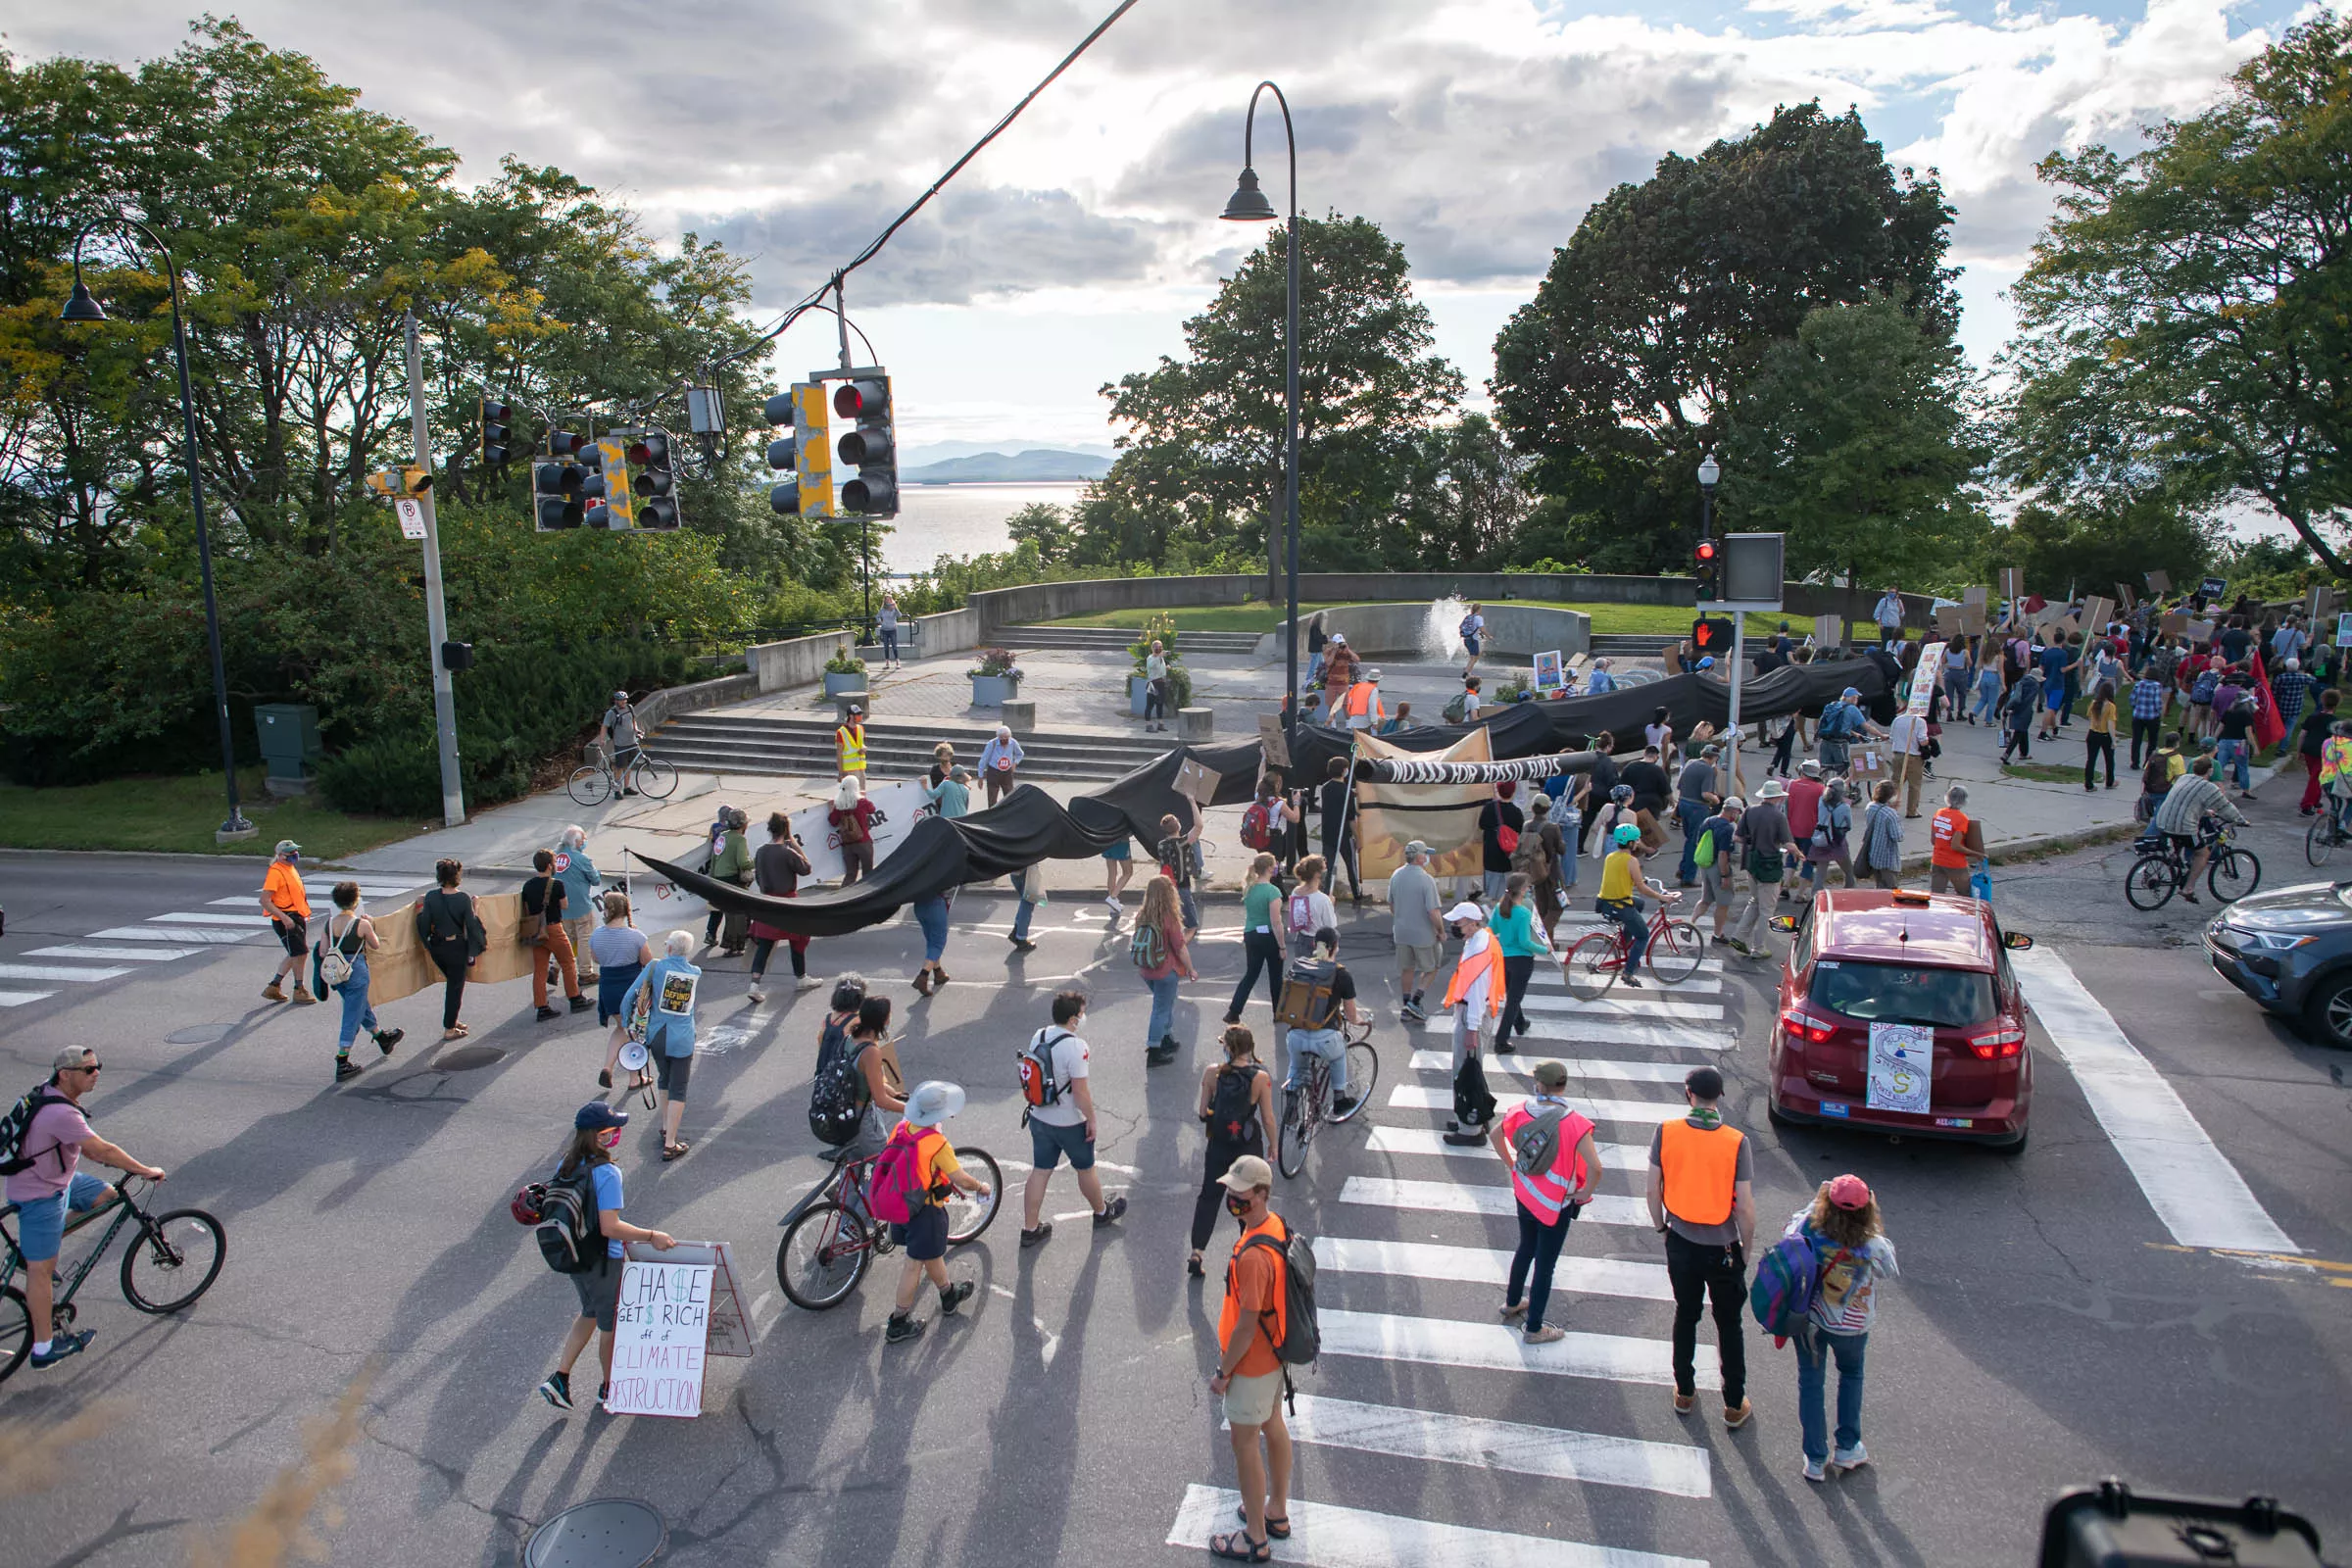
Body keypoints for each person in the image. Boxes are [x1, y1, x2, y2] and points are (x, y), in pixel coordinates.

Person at [6, 1046, 167, 1368]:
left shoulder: (47, 1092)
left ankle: (30, 1250)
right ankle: (43, 1348)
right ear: (65, 1075)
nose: (96, 1074)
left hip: (58, 1179)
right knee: (41, 1273)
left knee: (105, 1197)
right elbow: (101, 1151)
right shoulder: (61, 1113)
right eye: (88, 1070)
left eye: (97, 1067)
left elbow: (90, 1152)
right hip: (40, 1194)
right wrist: (144, 1169)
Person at [534, 1102, 679, 1412]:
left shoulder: (567, 1164)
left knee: (588, 1312)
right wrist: (652, 1236)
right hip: (603, 1261)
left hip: (575, 1256)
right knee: (612, 1328)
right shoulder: (608, 1172)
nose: (618, 1135)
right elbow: (610, 1226)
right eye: (614, 1130)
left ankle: (560, 1378)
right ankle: (609, 1388)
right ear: (599, 1136)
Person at [1647, 1065, 1755, 1430]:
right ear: (1719, 1097)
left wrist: (1662, 1226)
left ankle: (1685, 1391)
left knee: (1686, 1314)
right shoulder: (1736, 1141)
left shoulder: (1666, 1131)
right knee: (1729, 1325)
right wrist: (1746, 1248)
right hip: (1723, 1246)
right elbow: (1744, 1206)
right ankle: (1734, 1402)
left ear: (1687, 1093)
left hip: (1681, 1240)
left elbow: (1652, 1189)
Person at [1206, 1153, 1295, 1561]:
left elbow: (1245, 1325)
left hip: (1252, 1363)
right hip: (1275, 1357)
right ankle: (1276, 1511)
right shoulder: (1273, 1227)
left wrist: (1225, 1371)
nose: (1232, 1199)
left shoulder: (1253, 1256)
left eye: (1240, 1195)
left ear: (1260, 1195)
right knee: (1273, 1426)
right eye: (1230, 1192)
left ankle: (1255, 1537)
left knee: (1245, 1446)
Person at [1787, 1174, 1900, 1482]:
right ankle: (1848, 1447)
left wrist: (1814, 1204)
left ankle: (1814, 1458)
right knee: (1851, 1376)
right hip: (1854, 1328)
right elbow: (1890, 1270)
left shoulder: (1811, 1229)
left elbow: (1790, 1233)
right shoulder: (1872, 1243)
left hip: (1812, 1321)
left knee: (1811, 1382)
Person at [1491, 1060, 1599, 1345]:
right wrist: (1582, 1193)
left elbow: (1494, 1135)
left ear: (1539, 1084)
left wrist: (1512, 1165)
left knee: (1525, 1247)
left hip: (1525, 1193)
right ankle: (1535, 1328)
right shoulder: (1575, 1122)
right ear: (1563, 1086)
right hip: (1555, 1203)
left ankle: (1512, 1302)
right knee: (1546, 1265)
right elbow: (1596, 1167)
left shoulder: (1520, 1110)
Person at [881, 1081, 992, 1345]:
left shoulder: (902, 1127)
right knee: (913, 1264)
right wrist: (981, 1186)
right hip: (925, 1210)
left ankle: (948, 1294)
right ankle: (898, 1322)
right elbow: (960, 1178)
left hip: (900, 1204)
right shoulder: (936, 1144)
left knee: (929, 1253)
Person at [1018, 992, 1128, 1247]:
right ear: (1072, 1019)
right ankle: (1101, 1212)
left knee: (1041, 1171)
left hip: (1039, 1115)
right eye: (1081, 1013)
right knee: (1085, 1168)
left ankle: (1030, 1228)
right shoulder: (1076, 1047)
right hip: (1069, 1122)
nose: (1083, 1017)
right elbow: (1080, 1091)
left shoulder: (1040, 1035)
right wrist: (1091, 1118)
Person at [1191, 1026, 1278, 1278]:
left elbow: (1201, 1111)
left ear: (1227, 1048)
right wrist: (1273, 1145)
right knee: (1248, 1199)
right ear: (1250, 1049)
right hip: (1247, 1147)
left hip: (1219, 1144)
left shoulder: (1212, 1073)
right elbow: (1269, 1118)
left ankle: (1197, 1251)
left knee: (1209, 1197)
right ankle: (1245, 1253)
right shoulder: (1260, 1078)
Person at [618, 932, 703, 1160]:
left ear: (669, 949)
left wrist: (627, 1023)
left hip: (657, 1034)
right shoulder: (695, 973)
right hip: (682, 1037)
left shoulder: (656, 967)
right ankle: (670, 1142)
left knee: (664, 1079)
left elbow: (629, 997)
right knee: (679, 1088)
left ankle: (666, 1126)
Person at [318, 882, 402, 1081]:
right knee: (352, 1015)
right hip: (356, 971)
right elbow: (375, 944)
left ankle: (382, 1037)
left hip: (337, 973)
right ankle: (342, 1059)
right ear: (356, 901)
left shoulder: (329, 923)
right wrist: (370, 924)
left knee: (359, 1006)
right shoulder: (361, 924)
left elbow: (322, 951)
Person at [1280, 925, 1362, 1117]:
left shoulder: (1299, 967)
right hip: (1325, 1038)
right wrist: (1362, 1022)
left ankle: (1292, 1100)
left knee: (1297, 1065)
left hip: (1296, 1035)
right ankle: (1339, 1098)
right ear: (1335, 947)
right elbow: (1351, 1016)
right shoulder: (1341, 974)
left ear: (1314, 945)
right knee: (1339, 1055)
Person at [1442, 900, 1501, 1143]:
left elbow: (1477, 992)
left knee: (1466, 1072)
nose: (1455, 926)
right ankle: (1472, 1117)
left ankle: (1470, 1129)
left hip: (1473, 1015)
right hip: (1473, 1012)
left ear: (1472, 922)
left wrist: (1472, 1029)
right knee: (1472, 1068)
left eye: (1458, 922)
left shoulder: (1479, 949)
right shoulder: (1482, 939)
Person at [2155, 756, 2248, 904]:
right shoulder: (2208, 787)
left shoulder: (2184, 778)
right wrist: (2240, 820)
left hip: (2163, 821)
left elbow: (2186, 802)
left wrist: (2205, 812)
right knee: (2202, 853)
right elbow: (2224, 806)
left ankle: (2175, 864)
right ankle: (2188, 889)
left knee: (2180, 844)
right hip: (2183, 827)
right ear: (2210, 771)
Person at [415, 858, 486, 1041]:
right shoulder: (463, 898)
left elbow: (424, 924)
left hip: (438, 947)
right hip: (456, 947)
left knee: (453, 984)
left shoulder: (431, 896)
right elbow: (471, 924)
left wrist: (420, 909)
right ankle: (449, 1028)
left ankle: (452, 1020)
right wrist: (475, 906)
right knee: (455, 987)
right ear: (456, 876)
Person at [1596, 822, 1677, 985]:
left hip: (1604, 902)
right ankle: (1628, 972)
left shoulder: (1611, 857)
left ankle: (1624, 942)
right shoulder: (1631, 860)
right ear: (1632, 843)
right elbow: (1641, 888)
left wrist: (1638, 879)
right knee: (1643, 936)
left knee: (1639, 904)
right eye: (1637, 841)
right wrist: (1661, 896)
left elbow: (1620, 879)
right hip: (1620, 906)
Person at [748, 810, 814, 1002]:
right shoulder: (787, 852)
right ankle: (801, 978)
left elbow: (759, 877)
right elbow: (807, 869)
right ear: (786, 830)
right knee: (797, 940)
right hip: (788, 902)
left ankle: (754, 984)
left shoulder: (761, 851)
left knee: (765, 945)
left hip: (767, 902)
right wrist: (795, 845)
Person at [1377, 839, 1445, 1022]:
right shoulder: (1426, 880)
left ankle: (1406, 1003)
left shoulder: (1396, 875)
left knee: (1407, 968)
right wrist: (1441, 930)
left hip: (1401, 931)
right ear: (1420, 858)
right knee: (1432, 967)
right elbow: (1434, 912)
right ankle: (1415, 1001)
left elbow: (1391, 904)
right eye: (1426, 854)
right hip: (1423, 934)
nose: (1428, 857)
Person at [1725, 779, 1792, 960]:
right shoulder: (1779, 817)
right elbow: (1788, 843)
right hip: (1769, 866)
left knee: (1754, 901)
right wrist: (1799, 853)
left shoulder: (1750, 811)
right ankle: (1759, 947)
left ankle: (1739, 936)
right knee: (1767, 910)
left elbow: (1737, 837)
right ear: (1778, 797)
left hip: (1751, 864)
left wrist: (1752, 840)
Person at [592, 894, 655, 1088]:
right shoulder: (636, 936)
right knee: (634, 1031)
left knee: (622, 1028)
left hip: (608, 986)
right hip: (631, 986)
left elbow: (596, 960)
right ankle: (635, 1078)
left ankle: (607, 1067)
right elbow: (648, 962)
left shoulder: (596, 935)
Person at [522, 848, 591, 1022]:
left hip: (536, 931)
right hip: (553, 928)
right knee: (568, 962)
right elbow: (565, 905)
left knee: (540, 969)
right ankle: (575, 998)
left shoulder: (528, 885)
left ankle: (542, 1007)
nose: (555, 866)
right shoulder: (556, 884)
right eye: (553, 863)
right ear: (548, 866)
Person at [1489, 873, 1551, 1051]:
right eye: (1528, 887)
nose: (1529, 890)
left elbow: (1491, 930)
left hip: (1504, 959)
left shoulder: (1500, 908)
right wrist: (1545, 949)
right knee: (1513, 1001)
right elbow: (1525, 942)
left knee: (1513, 995)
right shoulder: (1523, 913)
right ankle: (1501, 1041)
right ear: (1523, 890)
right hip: (1522, 961)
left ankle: (1520, 1023)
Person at [1137, 873, 1195, 1066]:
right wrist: (1190, 969)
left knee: (1165, 1002)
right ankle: (1154, 1049)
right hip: (1165, 970)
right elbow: (1179, 947)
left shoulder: (1141, 915)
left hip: (1147, 969)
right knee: (1161, 1008)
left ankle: (1167, 1038)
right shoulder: (1169, 918)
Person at [1225, 852, 1288, 1026]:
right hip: (1269, 936)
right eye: (1275, 865)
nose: (1276, 868)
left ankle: (1234, 1011)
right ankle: (1278, 1012)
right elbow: (1276, 922)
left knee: (1251, 974)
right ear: (1269, 868)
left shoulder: (1249, 888)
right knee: (1275, 977)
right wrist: (1282, 946)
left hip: (1251, 934)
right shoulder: (1273, 891)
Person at [260, 839, 316, 1004]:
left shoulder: (289, 869)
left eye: (295, 852)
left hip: (295, 916)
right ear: (280, 856)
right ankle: (299, 989)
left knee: (297, 953)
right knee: (300, 953)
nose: (294, 855)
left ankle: (274, 986)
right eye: (290, 853)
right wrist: (285, 918)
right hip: (286, 919)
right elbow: (264, 900)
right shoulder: (275, 872)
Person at [552, 826, 604, 982]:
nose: (585, 842)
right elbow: (595, 880)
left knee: (566, 938)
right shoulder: (582, 859)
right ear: (576, 842)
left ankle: (555, 966)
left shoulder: (555, 857)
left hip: (561, 906)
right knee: (584, 939)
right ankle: (585, 973)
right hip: (581, 906)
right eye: (583, 839)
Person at [704, 808, 755, 956]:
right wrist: (756, 861)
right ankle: (735, 946)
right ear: (743, 825)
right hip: (733, 879)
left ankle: (729, 944)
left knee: (728, 913)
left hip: (719, 878)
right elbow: (743, 863)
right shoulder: (740, 839)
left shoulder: (722, 836)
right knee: (738, 914)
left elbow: (714, 858)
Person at [1692, 797, 1743, 941]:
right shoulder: (1727, 828)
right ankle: (1717, 934)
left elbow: (1699, 842)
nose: (1738, 815)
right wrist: (1725, 876)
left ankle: (1690, 924)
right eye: (1738, 812)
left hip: (1704, 864)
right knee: (1723, 903)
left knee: (1705, 900)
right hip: (1717, 867)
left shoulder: (1708, 821)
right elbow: (1723, 855)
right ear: (1733, 811)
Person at [1674, 743, 1722, 885]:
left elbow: (1679, 786)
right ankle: (1688, 877)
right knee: (1695, 842)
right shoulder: (1708, 770)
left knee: (1689, 839)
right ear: (1714, 757)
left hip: (1683, 804)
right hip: (1697, 807)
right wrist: (1715, 799)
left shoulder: (1691, 765)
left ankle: (1683, 869)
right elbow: (1706, 793)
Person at [1800, 777, 1855, 897]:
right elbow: (1848, 825)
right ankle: (1849, 893)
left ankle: (1815, 897)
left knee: (1820, 873)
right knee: (1849, 871)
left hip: (1821, 838)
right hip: (1837, 841)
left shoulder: (1821, 801)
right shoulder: (1844, 807)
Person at [1928, 784, 1985, 897]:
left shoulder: (1939, 813)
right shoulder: (1961, 819)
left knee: (1936, 897)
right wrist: (1977, 853)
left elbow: (1933, 840)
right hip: (1955, 863)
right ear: (1964, 800)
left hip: (1937, 861)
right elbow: (1955, 846)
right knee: (1965, 896)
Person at [1316, 758, 1360, 901]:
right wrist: (1358, 839)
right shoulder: (1345, 793)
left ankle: (1327, 894)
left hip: (1328, 834)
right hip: (1344, 835)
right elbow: (1351, 818)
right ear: (1344, 770)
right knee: (1351, 866)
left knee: (1328, 867)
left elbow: (1337, 797)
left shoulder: (1326, 788)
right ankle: (1356, 894)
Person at [1477, 781, 1525, 904]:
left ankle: (1492, 917)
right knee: (1507, 894)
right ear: (1513, 792)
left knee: (1490, 894)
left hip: (1491, 853)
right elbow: (1520, 831)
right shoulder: (1517, 812)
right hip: (1508, 855)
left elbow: (1482, 825)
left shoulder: (1489, 808)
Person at [1158, 806, 1205, 932]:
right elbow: (1199, 826)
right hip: (1181, 883)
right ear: (1178, 826)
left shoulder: (1161, 845)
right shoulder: (1181, 844)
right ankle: (1186, 937)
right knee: (1190, 919)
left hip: (1166, 883)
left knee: (1169, 912)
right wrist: (1191, 801)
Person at [2213, 677, 2258, 798]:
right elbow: (2248, 733)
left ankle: (2212, 787)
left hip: (2224, 742)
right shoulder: (2246, 714)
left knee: (2219, 766)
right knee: (2242, 767)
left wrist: (2214, 739)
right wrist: (2255, 747)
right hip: (2240, 744)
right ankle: (2246, 791)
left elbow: (2220, 727)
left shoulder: (2228, 712)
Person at [830, 774, 878, 886]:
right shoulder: (862, 802)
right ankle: (865, 897)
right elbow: (872, 809)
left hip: (847, 844)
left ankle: (844, 898)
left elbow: (833, 821)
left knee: (850, 874)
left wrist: (831, 808)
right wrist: (863, 796)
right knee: (868, 873)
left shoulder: (839, 805)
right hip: (863, 842)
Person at [2300, 690, 2340, 815]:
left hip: (2308, 749)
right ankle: (2307, 805)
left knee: (2314, 775)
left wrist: (2299, 750)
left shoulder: (2312, 717)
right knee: (2317, 779)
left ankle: (2315, 799)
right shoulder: (2334, 721)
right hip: (2323, 752)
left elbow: (2302, 735)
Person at [910, 884, 955, 997]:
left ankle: (938, 972)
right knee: (937, 944)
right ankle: (923, 976)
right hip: (935, 904)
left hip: (919, 905)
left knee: (931, 941)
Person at [1858, 780, 1903, 889]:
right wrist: (1895, 814)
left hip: (1874, 854)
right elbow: (1897, 836)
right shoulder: (1890, 814)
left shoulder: (1871, 806)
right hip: (1887, 858)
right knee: (1890, 888)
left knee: (1879, 886)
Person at [1886, 704, 1928, 818]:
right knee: (1914, 785)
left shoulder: (1897, 719)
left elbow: (1892, 738)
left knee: (1895, 783)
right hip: (1913, 756)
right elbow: (1922, 740)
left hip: (1897, 755)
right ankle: (1912, 811)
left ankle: (1891, 807)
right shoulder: (1920, 722)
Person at [601, 691, 644, 790]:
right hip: (620, 744)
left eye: (625, 699)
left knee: (628, 766)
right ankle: (617, 790)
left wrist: (636, 730)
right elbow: (604, 726)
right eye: (621, 700)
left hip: (632, 742)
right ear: (616, 701)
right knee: (619, 767)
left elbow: (633, 720)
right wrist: (602, 739)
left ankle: (627, 787)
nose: (624, 701)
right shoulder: (611, 713)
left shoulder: (630, 708)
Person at [2129, 665, 2170, 770]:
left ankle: (2135, 762)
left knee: (2136, 739)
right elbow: (2157, 702)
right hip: (2152, 717)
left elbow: (2132, 699)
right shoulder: (2157, 686)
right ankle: (2148, 762)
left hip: (2138, 716)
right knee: (2152, 741)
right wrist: (2159, 711)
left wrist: (2136, 707)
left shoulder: (2139, 684)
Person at [2083, 680, 2120, 791]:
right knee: (2109, 759)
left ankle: (2088, 784)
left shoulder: (2094, 703)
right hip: (2104, 735)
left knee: (2091, 759)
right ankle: (2109, 782)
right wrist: (2114, 740)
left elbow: (2090, 717)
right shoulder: (2110, 706)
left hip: (2092, 733)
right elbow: (2110, 724)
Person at [2001, 665, 2043, 761]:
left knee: (2023, 731)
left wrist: (2007, 709)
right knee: (2018, 733)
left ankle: (2024, 752)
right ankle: (2007, 754)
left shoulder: (2021, 682)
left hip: (2014, 709)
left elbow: (2013, 696)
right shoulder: (2035, 686)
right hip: (2025, 711)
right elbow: (2027, 701)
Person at [980, 724, 1024, 805]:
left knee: (1009, 797)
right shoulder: (991, 743)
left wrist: (1015, 763)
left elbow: (1020, 754)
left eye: (1006, 738)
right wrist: (980, 777)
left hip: (1007, 772)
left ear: (1009, 737)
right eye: (1001, 738)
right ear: (998, 737)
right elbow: (984, 760)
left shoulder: (1013, 742)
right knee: (992, 798)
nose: (1003, 740)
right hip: (993, 771)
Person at [1102, 825, 1135, 922]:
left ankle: (1113, 905)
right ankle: (1113, 897)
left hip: (1107, 839)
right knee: (1128, 872)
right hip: (1121, 841)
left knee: (1112, 873)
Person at [1340, 666, 1385, 733]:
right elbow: (1372, 707)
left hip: (1354, 720)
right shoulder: (1373, 689)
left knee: (1356, 741)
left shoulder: (1357, 686)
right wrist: (1374, 722)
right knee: (1364, 741)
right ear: (1378, 680)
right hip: (1365, 722)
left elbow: (1350, 701)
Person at [1144, 638, 1173, 732]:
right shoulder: (1150, 658)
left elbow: (1159, 669)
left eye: (1160, 647)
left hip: (1160, 683)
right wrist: (1159, 656)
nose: (1159, 649)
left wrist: (1166, 668)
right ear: (1152, 648)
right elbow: (1152, 666)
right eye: (1156, 647)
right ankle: (1148, 725)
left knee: (1160, 704)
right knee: (1150, 704)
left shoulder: (1161, 658)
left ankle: (1160, 724)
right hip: (1152, 683)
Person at [835, 704, 866, 780]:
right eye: (858, 714)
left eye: (860, 714)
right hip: (848, 772)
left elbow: (861, 744)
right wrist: (841, 773)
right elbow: (839, 754)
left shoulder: (861, 728)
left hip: (861, 769)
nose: (860, 716)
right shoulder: (841, 732)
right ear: (851, 716)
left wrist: (864, 748)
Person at [1459, 601, 1487, 675]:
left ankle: (1468, 669)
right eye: (1480, 609)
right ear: (1479, 609)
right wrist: (1489, 636)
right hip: (1473, 640)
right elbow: (1483, 630)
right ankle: (1464, 676)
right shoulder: (1479, 618)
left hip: (1466, 639)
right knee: (1473, 658)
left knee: (1476, 656)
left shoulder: (1468, 617)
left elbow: (1460, 626)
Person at [876, 593, 903, 669]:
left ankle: (897, 662)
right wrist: (880, 622)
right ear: (885, 601)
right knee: (886, 647)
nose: (888, 601)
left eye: (889, 599)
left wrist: (895, 607)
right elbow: (877, 616)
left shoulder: (894, 609)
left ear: (891, 600)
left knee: (894, 646)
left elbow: (899, 615)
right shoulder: (882, 609)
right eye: (886, 599)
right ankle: (887, 662)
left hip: (892, 629)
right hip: (884, 629)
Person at [1873, 586, 1904, 650]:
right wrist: (1880, 623)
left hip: (1895, 627)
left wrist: (1900, 606)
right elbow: (1876, 614)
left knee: (1895, 645)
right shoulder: (1884, 601)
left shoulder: (1899, 601)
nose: (1892, 594)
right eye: (1890, 592)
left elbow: (1902, 614)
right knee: (1885, 645)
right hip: (1886, 627)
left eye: (1893, 592)